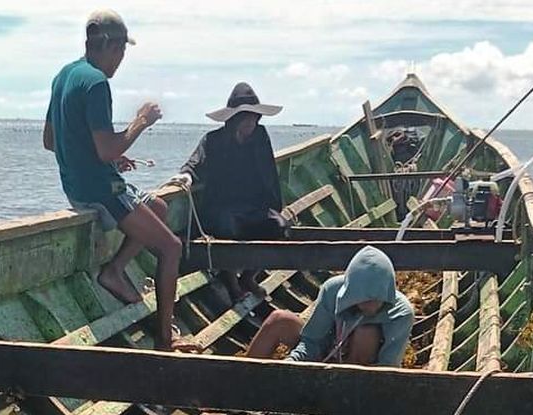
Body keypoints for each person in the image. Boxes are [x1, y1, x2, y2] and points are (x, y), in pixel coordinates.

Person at [44, 9, 188, 350]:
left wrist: (97, 154)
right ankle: (166, 342)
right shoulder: (96, 83)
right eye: (121, 51)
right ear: (109, 46)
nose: (121, 59)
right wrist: (141, 121)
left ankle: (114, 271)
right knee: (172, 247)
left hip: (76, 186)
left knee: (159, 208)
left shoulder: (64, 75)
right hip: (100, 190)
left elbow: (51, 141)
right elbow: (107, 149)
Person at [170, 83, 286, 302]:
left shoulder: (260, 136)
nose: (251, 122)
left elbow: (269, 174)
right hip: (222, 206)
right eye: (245, 118)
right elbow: (194, 163)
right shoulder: (213, 140)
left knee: (279, 226)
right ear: (234, 119)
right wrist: (186, 176)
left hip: (253, 206)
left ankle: (249, 277)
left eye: (254, 117)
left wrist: (274, 205)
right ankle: (232, 283)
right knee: (227, 227)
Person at [245, 245, 415, 366]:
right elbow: (312, 340)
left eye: (376, 300)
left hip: (361, 369)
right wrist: (292, 364)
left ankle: (344, 394)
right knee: (279, 320)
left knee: (366, 333)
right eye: (363, 300)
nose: (370, 307)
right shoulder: (332, 289)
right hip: (328, 350)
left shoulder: (401, 313)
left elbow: (388, 365)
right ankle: (242, 381)